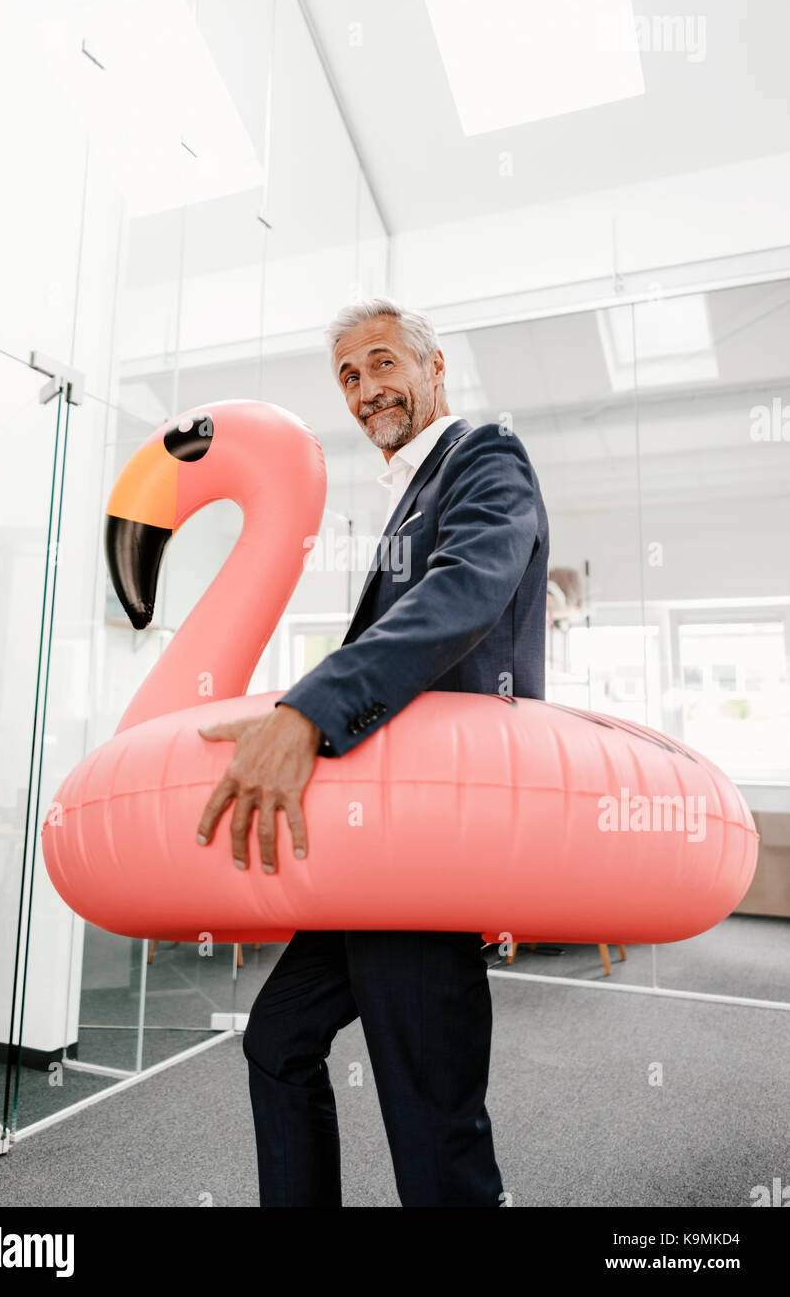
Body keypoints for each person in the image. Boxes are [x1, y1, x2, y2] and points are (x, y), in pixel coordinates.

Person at [196, 297, 550, 1207]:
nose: (364, 390)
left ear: (435, 370)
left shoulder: (484, 458)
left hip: (428, 838)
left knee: (429, 1117)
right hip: (372, 844)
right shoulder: (405, 496)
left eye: (382, 364)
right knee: (276, 1040)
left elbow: (462, 595)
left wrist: (307, 712)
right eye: (348, 377)